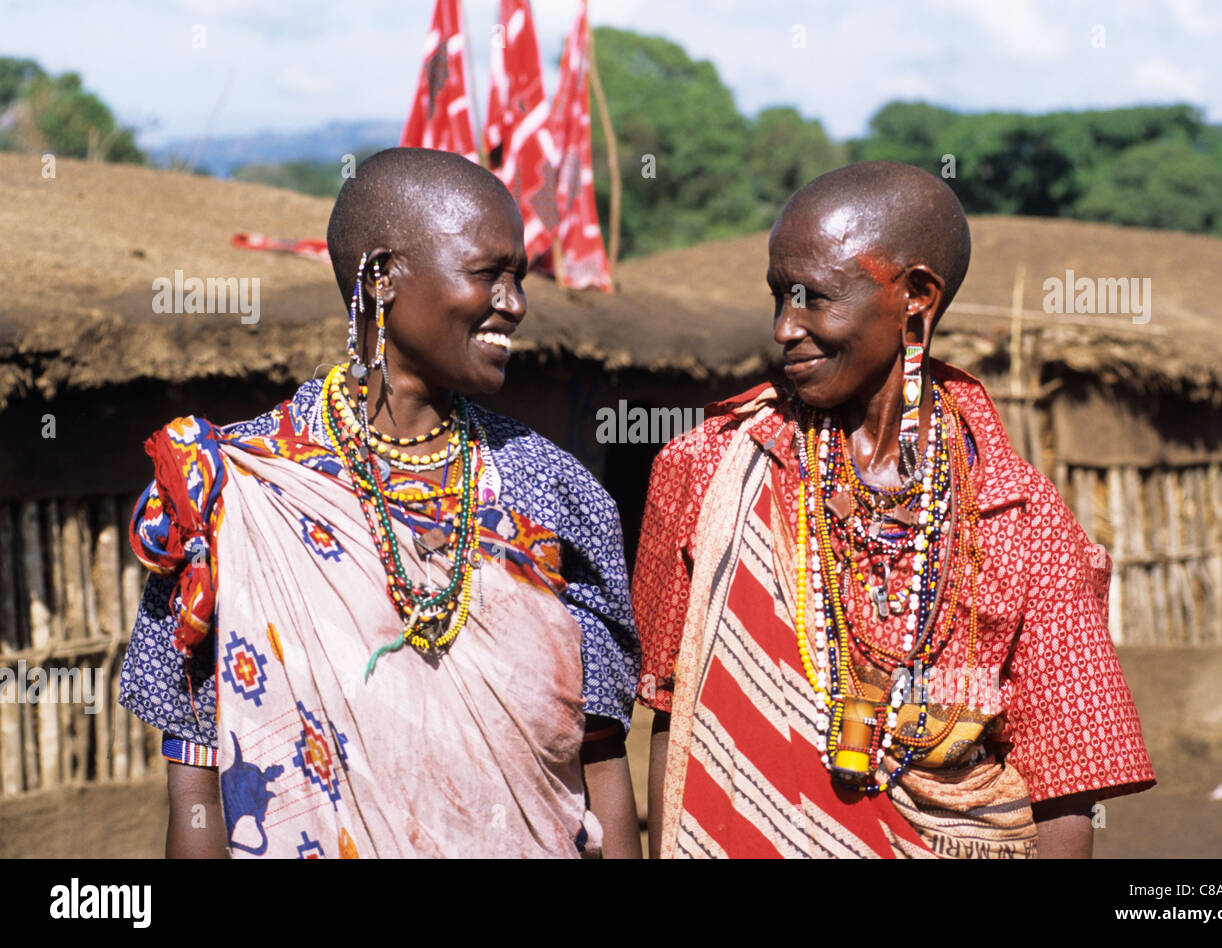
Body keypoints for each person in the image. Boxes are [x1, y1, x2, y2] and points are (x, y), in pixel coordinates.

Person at [120, 148, 641, 858]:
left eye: (519, 278)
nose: (515, 304)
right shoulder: (230, 493)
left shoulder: (557, 494)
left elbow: (602, 762)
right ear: (381, 279)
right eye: (489, 273)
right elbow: (198, 780)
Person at [633, 161, 1155, 859]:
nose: (785, 328)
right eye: (778, 298)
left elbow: (1067, 787)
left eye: (815, 299)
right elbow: (678, 720)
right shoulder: (707, 470)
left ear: (915, 296)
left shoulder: (1022, 517)